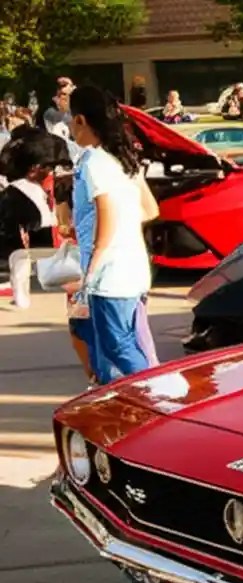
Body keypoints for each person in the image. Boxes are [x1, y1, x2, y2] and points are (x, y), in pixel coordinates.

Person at [68, 85, 156, 383]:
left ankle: (155, 397)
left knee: (118, 345)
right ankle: (120, 404)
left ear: (80, 120)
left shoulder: (95, 162)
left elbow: (106, 220)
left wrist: (92, 268)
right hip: (131, 269)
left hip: (110, 276)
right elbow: (150, 210)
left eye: (71, 119)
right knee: (101, 342)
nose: (70, 127)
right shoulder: (123, 160)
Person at [1, 128, 72, 308]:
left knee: (19, 254)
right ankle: (23, 294)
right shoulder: (26, 186)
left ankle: (22, 295)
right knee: (20, 254)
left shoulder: (23, 181)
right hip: (25, 209)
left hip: (23, 207)